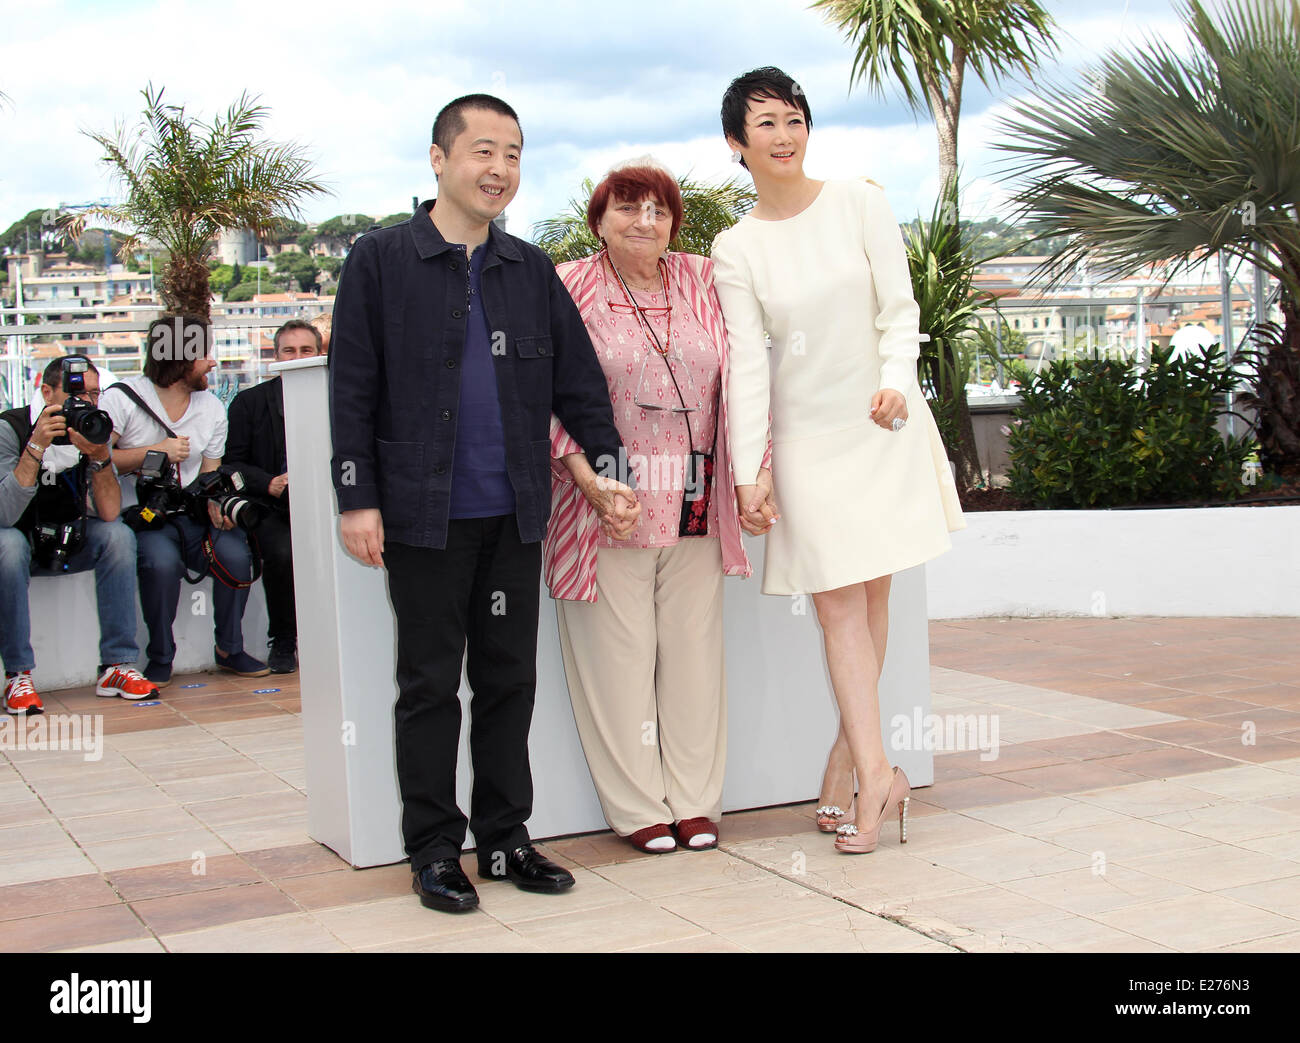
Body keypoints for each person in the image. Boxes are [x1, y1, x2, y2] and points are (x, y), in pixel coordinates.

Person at [329, 94, 634, 914]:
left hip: (514, 514)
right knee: (428, 685)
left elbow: (580, 384)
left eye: (514, 154)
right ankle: (433, 850)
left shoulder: (527, 269)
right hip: (422, 515)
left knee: (509, 682)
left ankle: (505, 838)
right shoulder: (381, 259)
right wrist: (357, 498)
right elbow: (351, 388)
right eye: (483, 151)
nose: (499, 169)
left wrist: (608, 469)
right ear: (439, 158)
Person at [711, 68, 965, 854]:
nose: (784, 136)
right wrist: (752, 468)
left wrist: (896, 384)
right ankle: (878, 772)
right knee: (837, 608)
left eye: (793, 119)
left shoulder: (860, 199)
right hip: (810, 444)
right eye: (766, 126)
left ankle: (850, 764)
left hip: (879, 426)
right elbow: (748, 365)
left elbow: (900, 308)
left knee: (870, 600)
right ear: (736, 145)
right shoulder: (736, 245)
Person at [545, 158, 773, 854]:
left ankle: (697, 800)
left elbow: (746, 371)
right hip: (603, 499)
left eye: (659, 210)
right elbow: (541, 390)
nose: (646, 222)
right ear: (598, 220)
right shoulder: (566, 285)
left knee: (695, 653)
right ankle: (640, 805)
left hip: (697, 495)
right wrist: (590, 480)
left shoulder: (706, 277)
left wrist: (755, 470)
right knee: (617, 657)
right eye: (628, 208)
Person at [102, 314, 269, 687]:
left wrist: (218, 505)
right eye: (204, 354)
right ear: (178, 359)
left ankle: (229, 648)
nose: (212, 362)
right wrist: (154, 451)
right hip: (144, 515)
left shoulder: (210, 406)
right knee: (161, 564)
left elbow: (211, 471)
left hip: (192, 513)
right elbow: (100, 458)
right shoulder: (123, 399)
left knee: (237, 556)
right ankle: (160, 656)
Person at [0, 356, 158, 713]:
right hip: (21, 540)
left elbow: (108, 512)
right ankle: (18, 675)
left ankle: (117, 666)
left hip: (69, 537)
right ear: (45, 392)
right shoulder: (10, 428)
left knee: (117, 536)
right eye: (74, 394)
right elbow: (4, 515)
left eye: (92, 394)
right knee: (6, 544)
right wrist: (36, 446)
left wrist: (100, 456)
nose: (83, 404)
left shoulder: (91, 429)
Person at [224, 318, 322, 673]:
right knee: (281, 553)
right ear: (275, 356)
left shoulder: (336, 399)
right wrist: (269, 483)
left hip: (328, 504)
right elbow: (231, 463)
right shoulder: (247, 404)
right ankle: (283, 639)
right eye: (290, 351)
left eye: (306, 350)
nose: (297, 357)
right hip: (270, 506)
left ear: (319, 353)